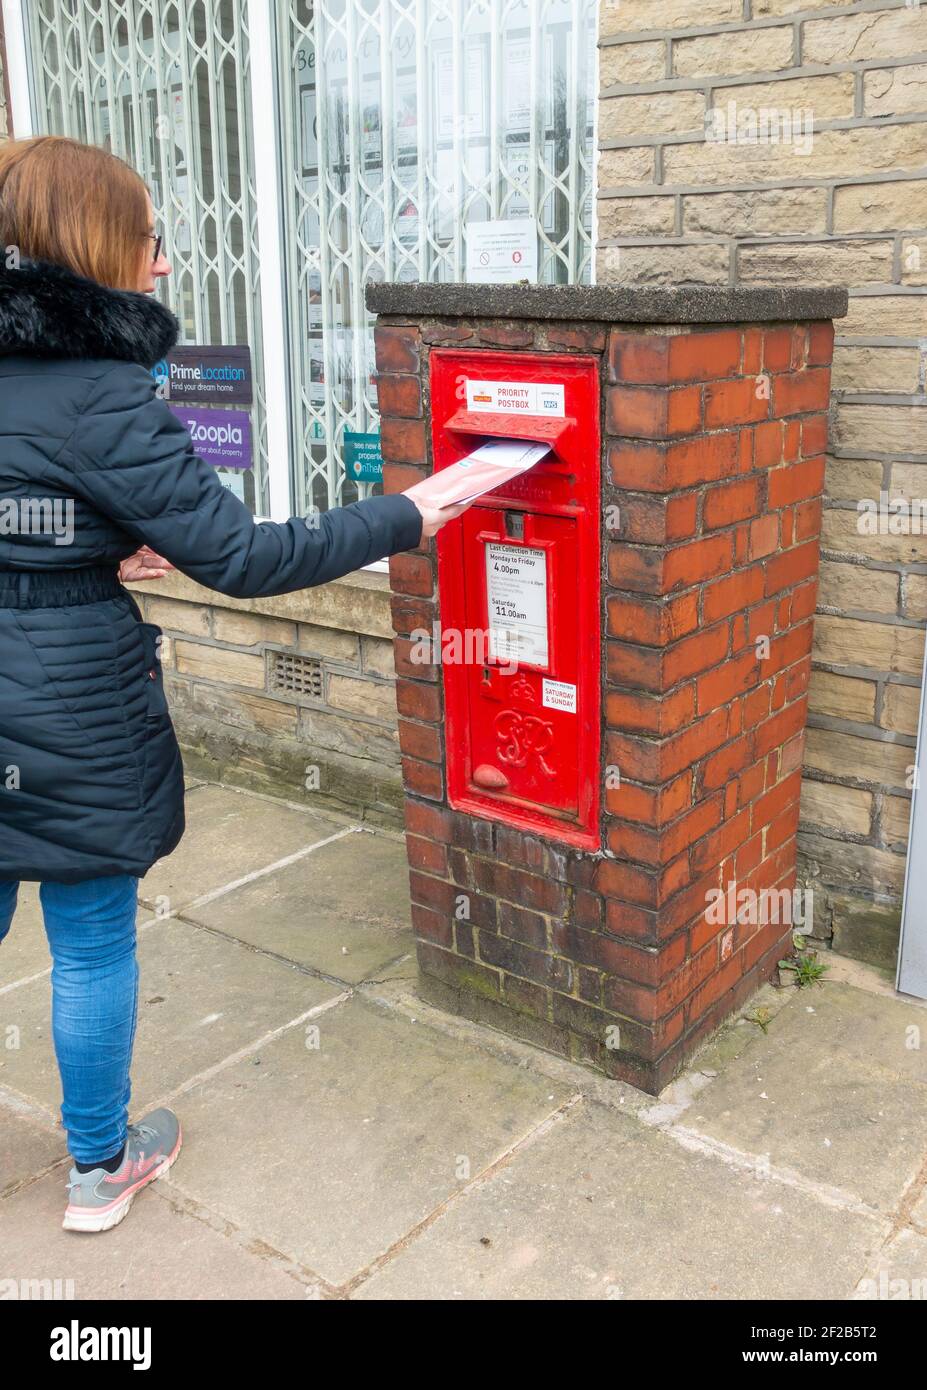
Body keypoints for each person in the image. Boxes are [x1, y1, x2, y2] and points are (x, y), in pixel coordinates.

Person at [0, 135, 466, 1233]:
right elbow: (248, 557)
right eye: (151, 240)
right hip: (66, 699)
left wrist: (78, 541)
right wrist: (409, 513)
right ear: (99, 243)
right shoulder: (104, 399)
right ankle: (99, 1167)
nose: (162, 266)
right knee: (91, 935)